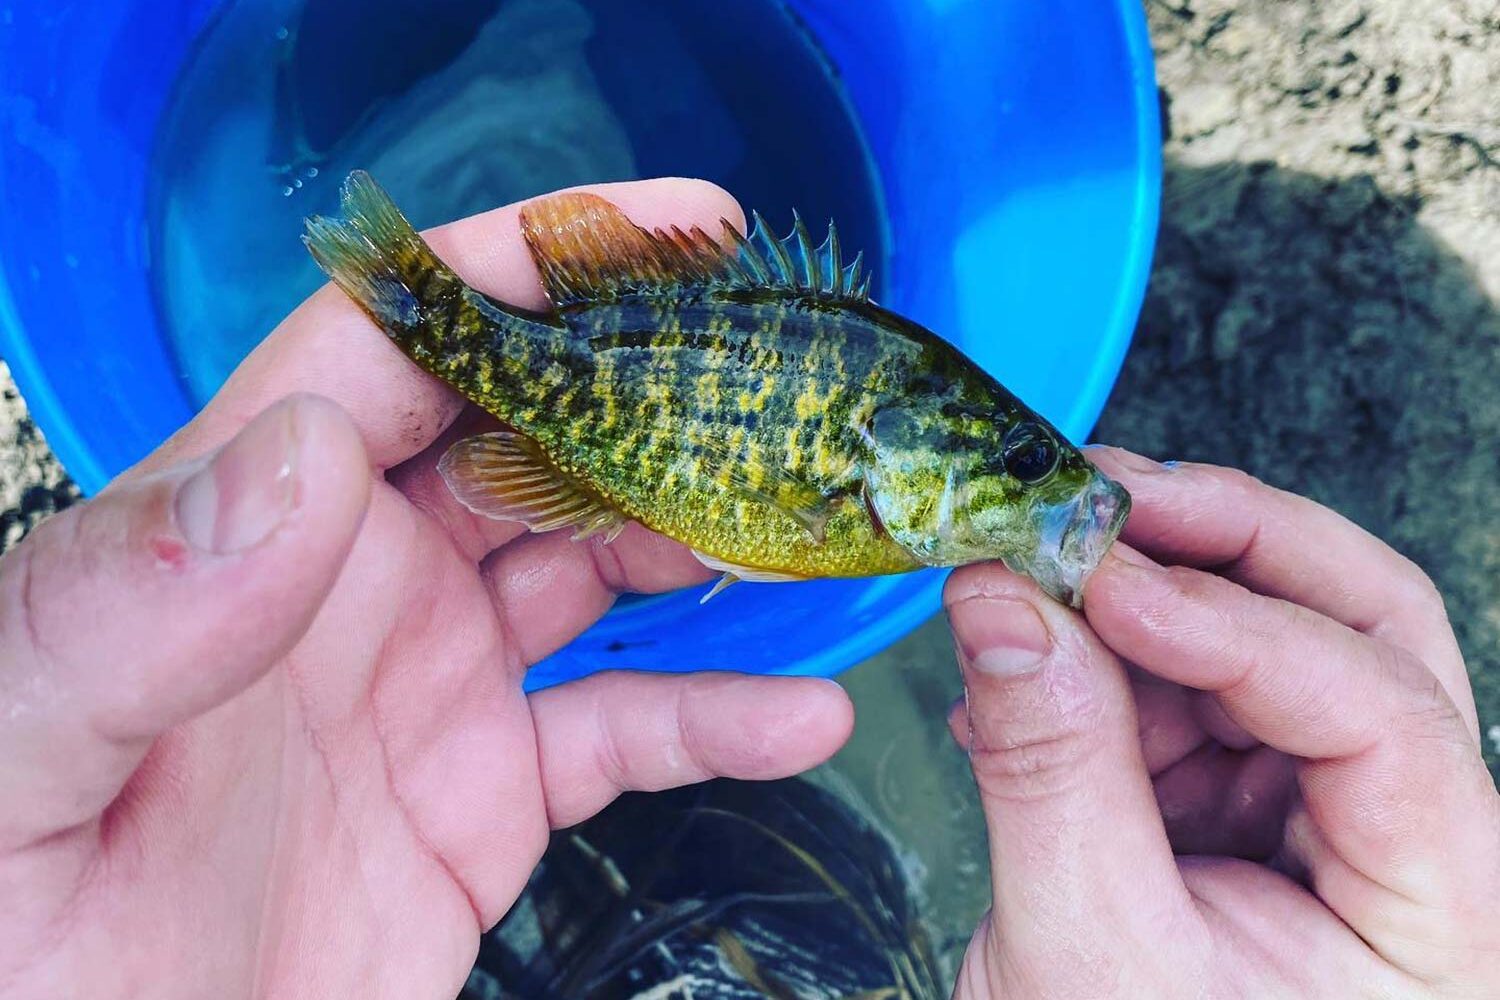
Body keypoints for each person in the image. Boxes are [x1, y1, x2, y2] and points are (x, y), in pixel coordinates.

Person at [0, 178, 1494, 999]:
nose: (1044, 495)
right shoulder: (859, 498)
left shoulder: (883, 493)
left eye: (1028, 471)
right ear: (913, 463)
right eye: (1014, 467)